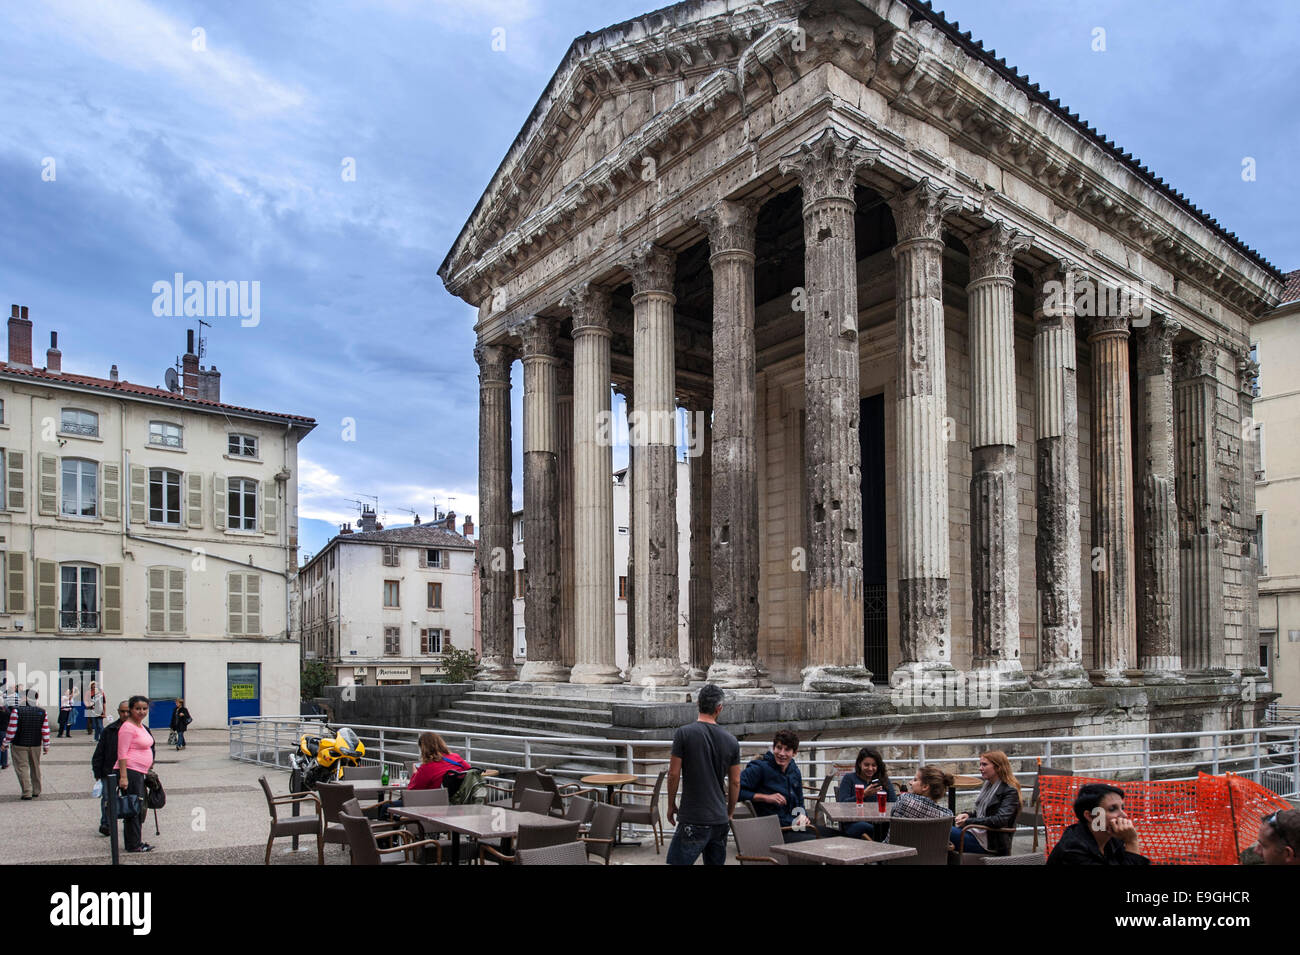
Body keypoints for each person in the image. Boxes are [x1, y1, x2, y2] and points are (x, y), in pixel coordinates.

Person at [666, 683, 741, 866]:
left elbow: (673, 774)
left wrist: (670, 805)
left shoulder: (684, 734)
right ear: (719, 708)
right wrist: (729, 811)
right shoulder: (731, 741)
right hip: (719, 818)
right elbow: (735, 782)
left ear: (698, 704)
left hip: (693, 816)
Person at [740, 728, 820, 842]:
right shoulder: (760, 768)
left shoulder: (794, 770)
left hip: (794, 826)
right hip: (776, 831)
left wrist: (803, 816)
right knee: (821, 841)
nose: (782, 753)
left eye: (787, 750)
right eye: (779, 748)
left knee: (836, 836)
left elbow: (799, 801)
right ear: (773, 748)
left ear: (795, 753)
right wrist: (766, 797)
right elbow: (736, 791)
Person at [1046, 783, 1151, 865]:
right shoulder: (1073, 849)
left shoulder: (1112, 838)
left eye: (1122, 808)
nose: (1124, 815)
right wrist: (1131, 842)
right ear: (1090, 816)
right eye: (1112, 809)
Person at [951, 750, 1022, 857]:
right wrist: (968, 815)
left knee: (943, 831)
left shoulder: (1009, 791)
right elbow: (984, 813)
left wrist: (968, 821)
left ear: (998, 767)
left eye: (984, 764)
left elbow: (1000, 820)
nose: (980, 768)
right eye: (980, 764)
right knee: (943, 833)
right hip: (976, 833)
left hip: (990, 843)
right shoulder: (989, 785)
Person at [116, 695, 156, 853]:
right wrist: (124, 776)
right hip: (131, 772)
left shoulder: (140, 726)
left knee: (137, 807)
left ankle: (135, 841)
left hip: (140, 772)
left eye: (144, 709)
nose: (141, 711)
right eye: (137, 708)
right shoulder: (127, 727)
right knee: (133, 807)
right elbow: (122, 753)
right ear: (131, 709)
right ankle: (134, 844)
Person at [835, 746, 897, 840]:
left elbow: (894, 802)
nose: (870, 768)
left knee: (893, 827)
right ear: (860, 764)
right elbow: (843, 804)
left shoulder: (883, 779)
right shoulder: (849, 779)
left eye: (874, 765)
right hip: (856, 821)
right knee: (868, 828)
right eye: (866, 765)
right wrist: (863, 794)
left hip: (880, 821)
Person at [884, 765, 955, 843]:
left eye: (915, 780)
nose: (910, 782)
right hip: (931, 855)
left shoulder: (904, 800)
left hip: (895, 853)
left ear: (925, 786)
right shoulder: (947, 816)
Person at [92, 701, 131, 835]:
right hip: (109, 770)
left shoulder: (139, 729)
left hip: (131, 771)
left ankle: (130, 822)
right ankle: (106, 823)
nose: (125, 714)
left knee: (130, 798)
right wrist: (97, 770)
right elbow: (100, 751)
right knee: (108, 798)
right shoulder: (110, 730)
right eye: (122, 711)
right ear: (118, 712)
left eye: (127, 711)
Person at [2, 695, 50, 799]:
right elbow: (45, 730)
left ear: (25, 698)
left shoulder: (17, 711)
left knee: (22, 767)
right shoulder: (42, 712)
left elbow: (11, 729)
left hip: (19, 744)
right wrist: (46, 744)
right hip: (36, 744)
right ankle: (36, 790)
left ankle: (27, 791)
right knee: (35, 767)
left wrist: (5, 743)